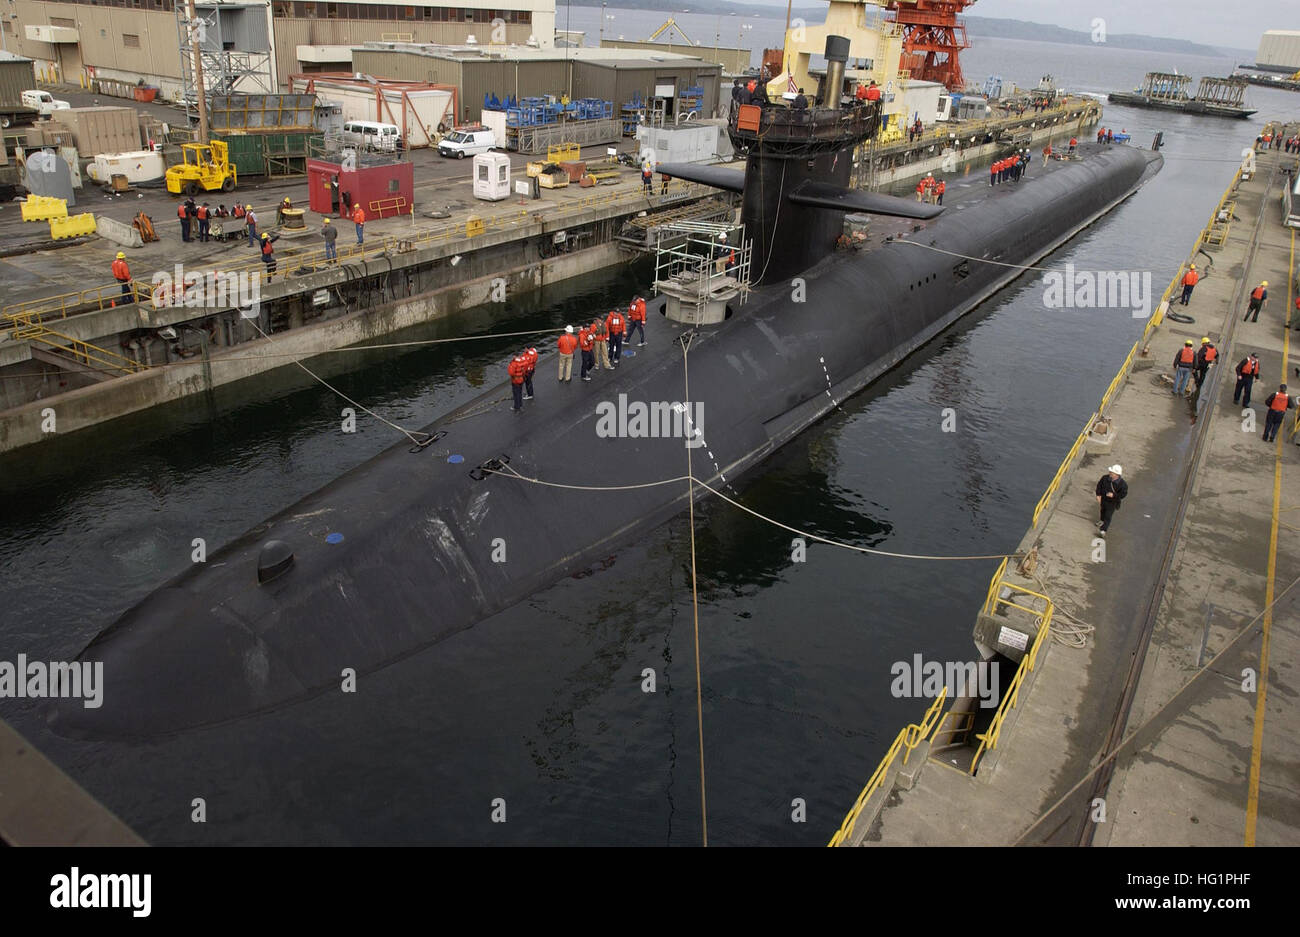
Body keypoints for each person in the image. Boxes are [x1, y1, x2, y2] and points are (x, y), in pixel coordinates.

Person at [1095, 464, 1128, 537]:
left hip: (1112, 503)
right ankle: (1102, 521)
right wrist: (1098, 494)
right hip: (1103, 499)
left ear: (1116, 474)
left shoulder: (1123, 485)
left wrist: (1113, 495)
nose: (1110, 473)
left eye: (1112, 472)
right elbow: (1099, 486)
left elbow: (1123, 495)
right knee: (1102, 510)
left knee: (1108, 515)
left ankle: (1103, 530)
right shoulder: (1105, 478)